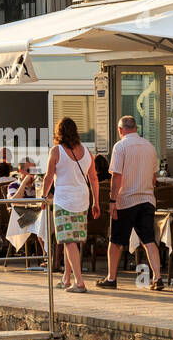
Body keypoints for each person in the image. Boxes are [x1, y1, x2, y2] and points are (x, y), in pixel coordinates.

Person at [96, 115, 163, 292]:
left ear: (120, 130)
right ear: (136, 128)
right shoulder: (149, 147)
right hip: (147, 199)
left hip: (126, 200)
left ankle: (111, 278)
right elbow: (154, 177)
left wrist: (112, 200)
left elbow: (116, 176)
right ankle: (157, 277)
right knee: (149, 240)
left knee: (116, 241)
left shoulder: (120, 146)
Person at [42, 116, 99, 294]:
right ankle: (66, 278)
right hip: (82, 198)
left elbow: (48, 177)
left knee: (67, 240)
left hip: (64, 199)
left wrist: (44, 197)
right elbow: (94, 178)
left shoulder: (56, 151)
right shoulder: (87, 151)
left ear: (59, 132)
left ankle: (79, 282)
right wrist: (96, 201)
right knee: (71, 240)